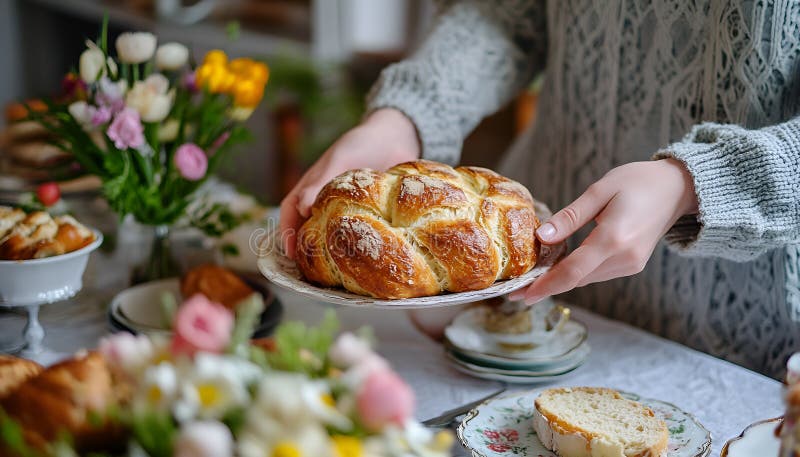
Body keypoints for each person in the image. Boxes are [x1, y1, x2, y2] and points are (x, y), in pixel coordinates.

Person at [280, 0, 800, 378]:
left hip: (740, 339)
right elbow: (506, 17)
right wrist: (407, 115)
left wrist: (697, 182)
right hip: (523, 281)